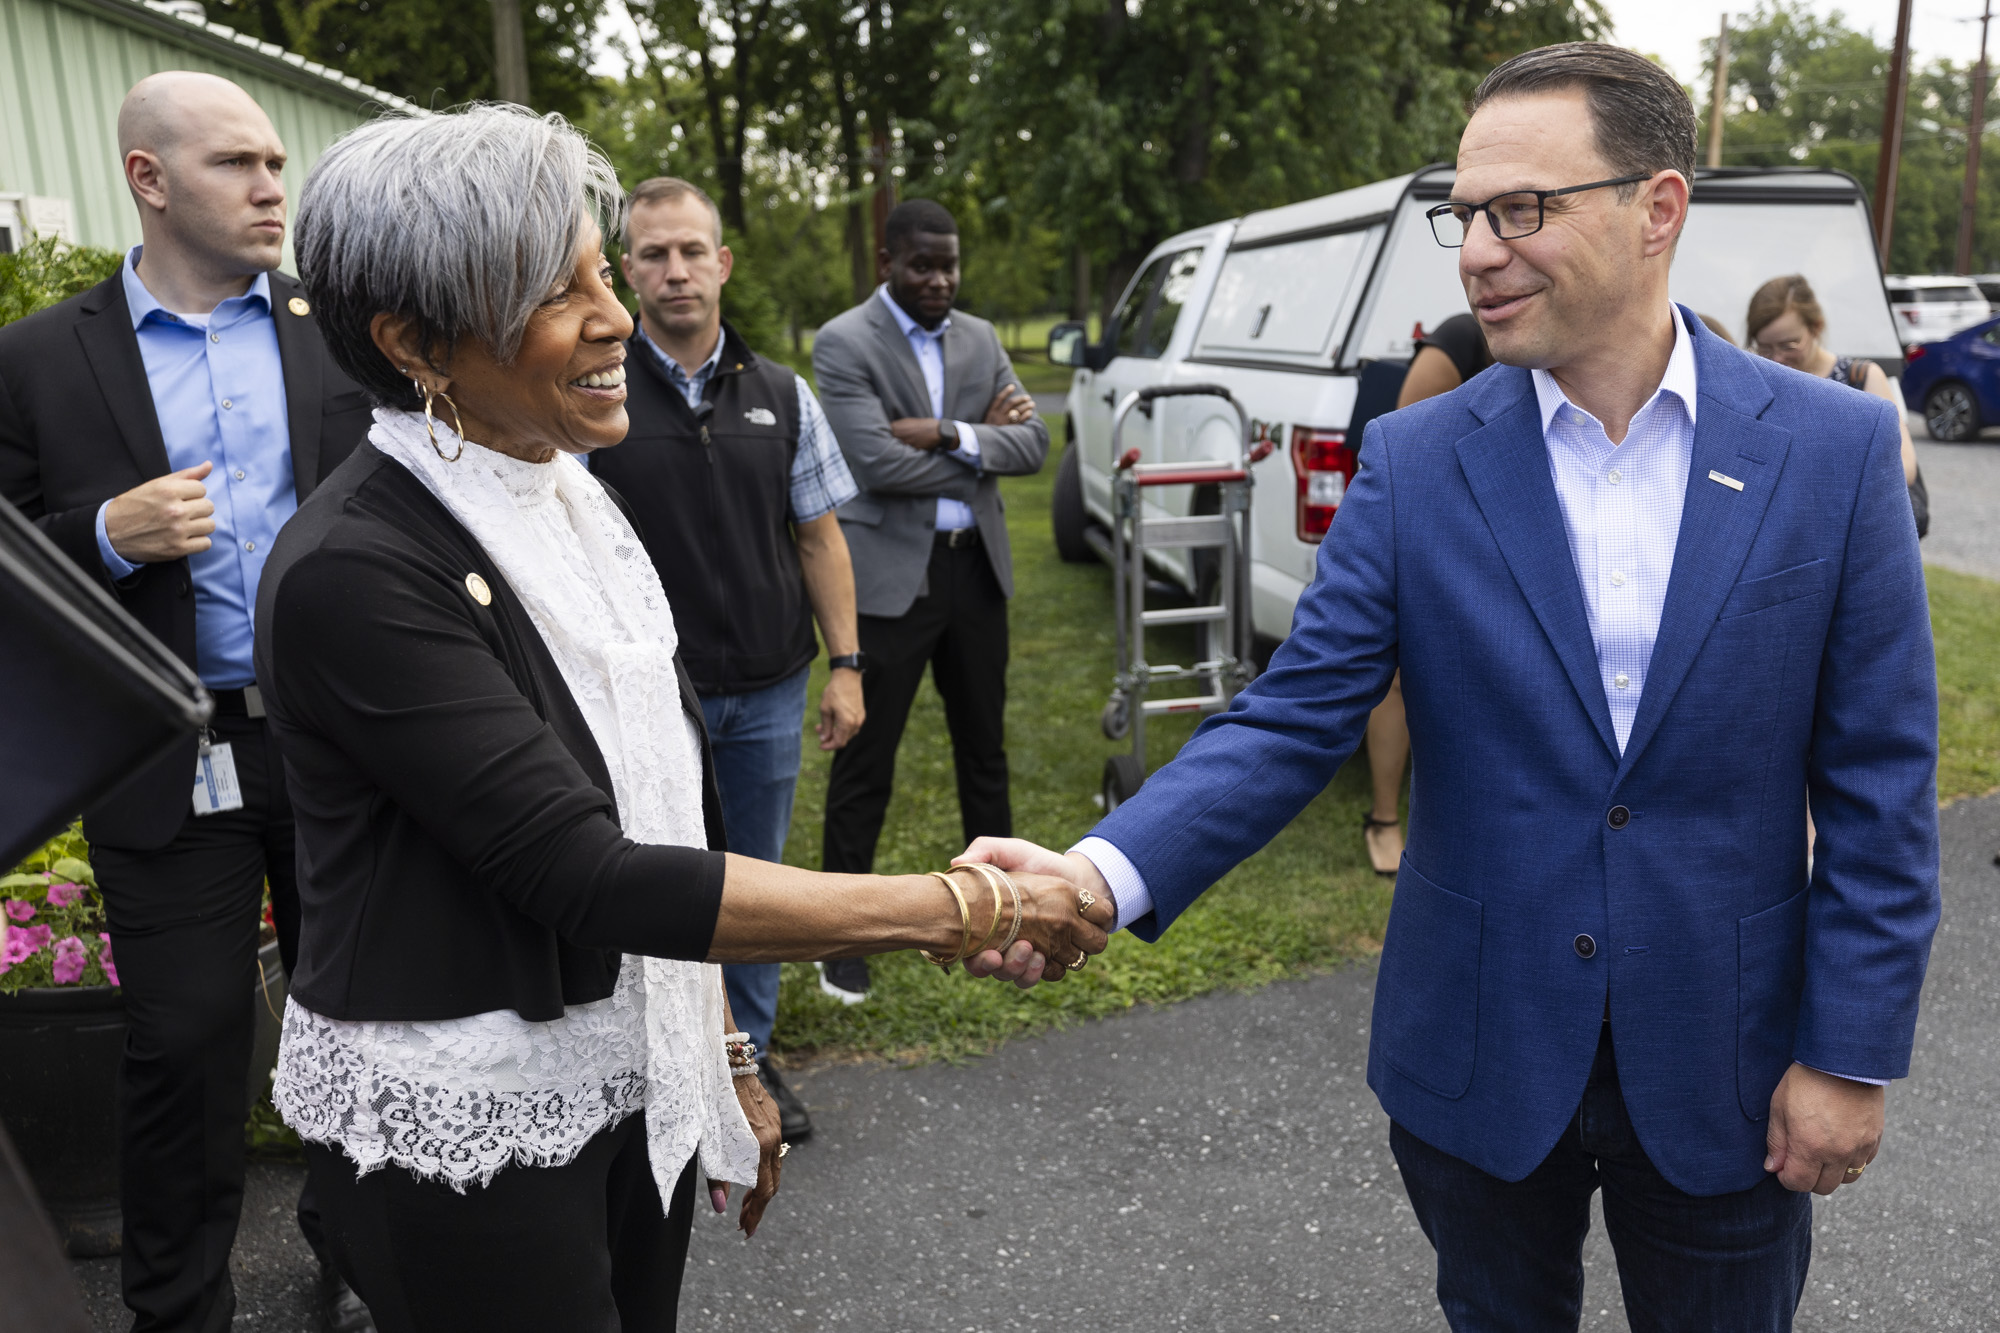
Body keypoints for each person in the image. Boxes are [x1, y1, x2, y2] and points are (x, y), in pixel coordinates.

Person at [965, 43, 1939, 1332]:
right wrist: (1095, 876)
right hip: (1478, 1055)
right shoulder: (1415, 460)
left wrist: (1848, 1052)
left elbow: (1878, 782)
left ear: (1656, 210)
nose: (1476, 250)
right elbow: (1292, 710)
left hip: (1735, 1069)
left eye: (1520, 209)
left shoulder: (1832, 447)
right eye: (1464, 214)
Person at [256, 105, 1107, 1333]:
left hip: (629, 1072)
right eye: (562, 293)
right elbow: (585, 870)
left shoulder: (564, 492)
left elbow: (660, 793)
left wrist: (725, 1056)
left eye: (604, 271)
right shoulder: (356, 569)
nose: (615, 317)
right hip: (476, 1130)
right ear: (414, 342)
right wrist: (966, 904)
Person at [0, 72, 375, 1333]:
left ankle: (358, 1254)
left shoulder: (342, 330)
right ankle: (177, 1310)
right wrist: (102, 532)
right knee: (185, 1038)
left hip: (347, 746)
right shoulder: (42, 356)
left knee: (364, 1013)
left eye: (277, 163)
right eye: (237, 165)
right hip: (171, 751)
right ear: (148, 179)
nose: (273, 187)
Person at [592, 176, 864, 1143]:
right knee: (657, 879)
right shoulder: (595, 388)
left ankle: (746, 1057)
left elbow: (821, 538)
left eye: (691, 251)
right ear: (626, 271)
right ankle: (663, 1064)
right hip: (645, 697)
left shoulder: (782, 394)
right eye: (653, 255)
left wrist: (848, 662)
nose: (674, 272)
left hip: (767, 689)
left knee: (759, 880)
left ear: (723, 263)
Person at [808, 199, 1048, 1001]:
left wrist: (946, 433)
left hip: (974, 571)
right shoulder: (844, 341)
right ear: (887, 263)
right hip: (888, 583)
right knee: (867, 761)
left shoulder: (979, 337)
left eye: (949, 264)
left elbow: (1037, 444)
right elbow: (873, 465)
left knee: (984, 751)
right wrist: (984, 441)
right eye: (923, 265)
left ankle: (1011, 915)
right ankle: (841, 940)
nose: (940, 279)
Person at [1361, 313, 1498, 874]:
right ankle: (1384, 819)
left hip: (1505, 535)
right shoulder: (1462, 339)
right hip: (1441, 525)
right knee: (1396, 673)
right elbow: (1406, 443)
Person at [1746, 273, 1927, 536]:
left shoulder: (1862, 377)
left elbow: (1904, 467)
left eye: (1789, 345)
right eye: (1764, 348)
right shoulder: (1757, 381)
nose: (1777, 359)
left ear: (1816, 327)